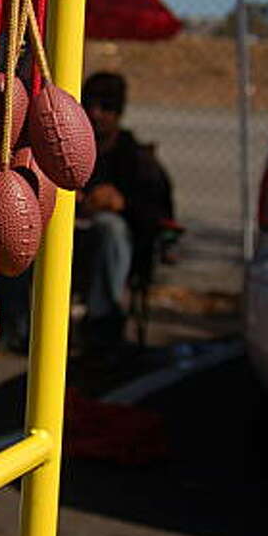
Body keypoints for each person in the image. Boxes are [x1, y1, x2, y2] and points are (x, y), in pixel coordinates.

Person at [75, 71, 174, 351]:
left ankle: (102, 324)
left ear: (118, 113)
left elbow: (157, 214)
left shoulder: (135, 159)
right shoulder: (68, 149)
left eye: (105, 107)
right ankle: (17, 324)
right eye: (89, 105)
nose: (95, 114)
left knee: (110, 227)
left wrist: (122, 204)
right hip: (67, 246)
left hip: (115, 254)